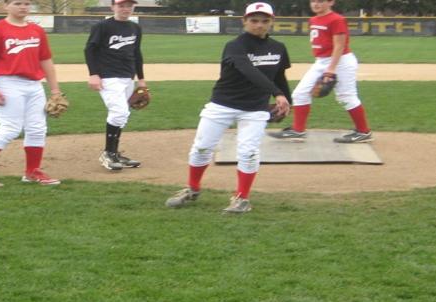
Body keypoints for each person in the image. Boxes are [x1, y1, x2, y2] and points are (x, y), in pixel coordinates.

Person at [165, 2, 291, 215]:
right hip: (223, 104)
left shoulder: (278, 48)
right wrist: (276, 94)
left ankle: (242, 198)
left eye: (264, 21)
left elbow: (279, 76)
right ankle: (193, 189)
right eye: (254, 20)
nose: (259, 25)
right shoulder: (235, 45)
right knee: (202, 148)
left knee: (249, 152)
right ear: (244, 21)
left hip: (255, 108)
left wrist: (287, 100)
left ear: (272, 22)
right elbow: (247, 70)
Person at [0, 0, 66, 187]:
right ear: (6, 6)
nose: (23, 6)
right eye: (17, 3)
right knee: (10, 128)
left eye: (26, 3)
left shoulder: (36, 30)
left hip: (34, 84)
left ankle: (32, 172)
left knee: (37, 128)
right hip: (8, 83)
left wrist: (55, 90)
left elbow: (46, 60)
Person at [269, 0, 373, 144]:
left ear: (331, 2)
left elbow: (339, 46)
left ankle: (363, 132)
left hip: (341, 61)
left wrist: (330, 70)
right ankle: (298, 131)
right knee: (300, 93)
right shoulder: (313, 19)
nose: (316, 4)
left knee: (346, 96)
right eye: (313, 1)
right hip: (321, 61)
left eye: (321, 1)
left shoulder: (337, 19)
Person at [85, 0, 148, 172]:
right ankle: (108, 154)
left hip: (128, 77)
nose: (125, 9)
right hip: (108, 77)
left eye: (129, 5)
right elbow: (90, 49)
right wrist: (93, 74)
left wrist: (141, 79)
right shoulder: (103, 26)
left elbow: (137, 53)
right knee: (119, 113)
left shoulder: (135, 28)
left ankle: (114, 153)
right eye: (121, 5)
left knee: (123, 115)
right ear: (113, 7)